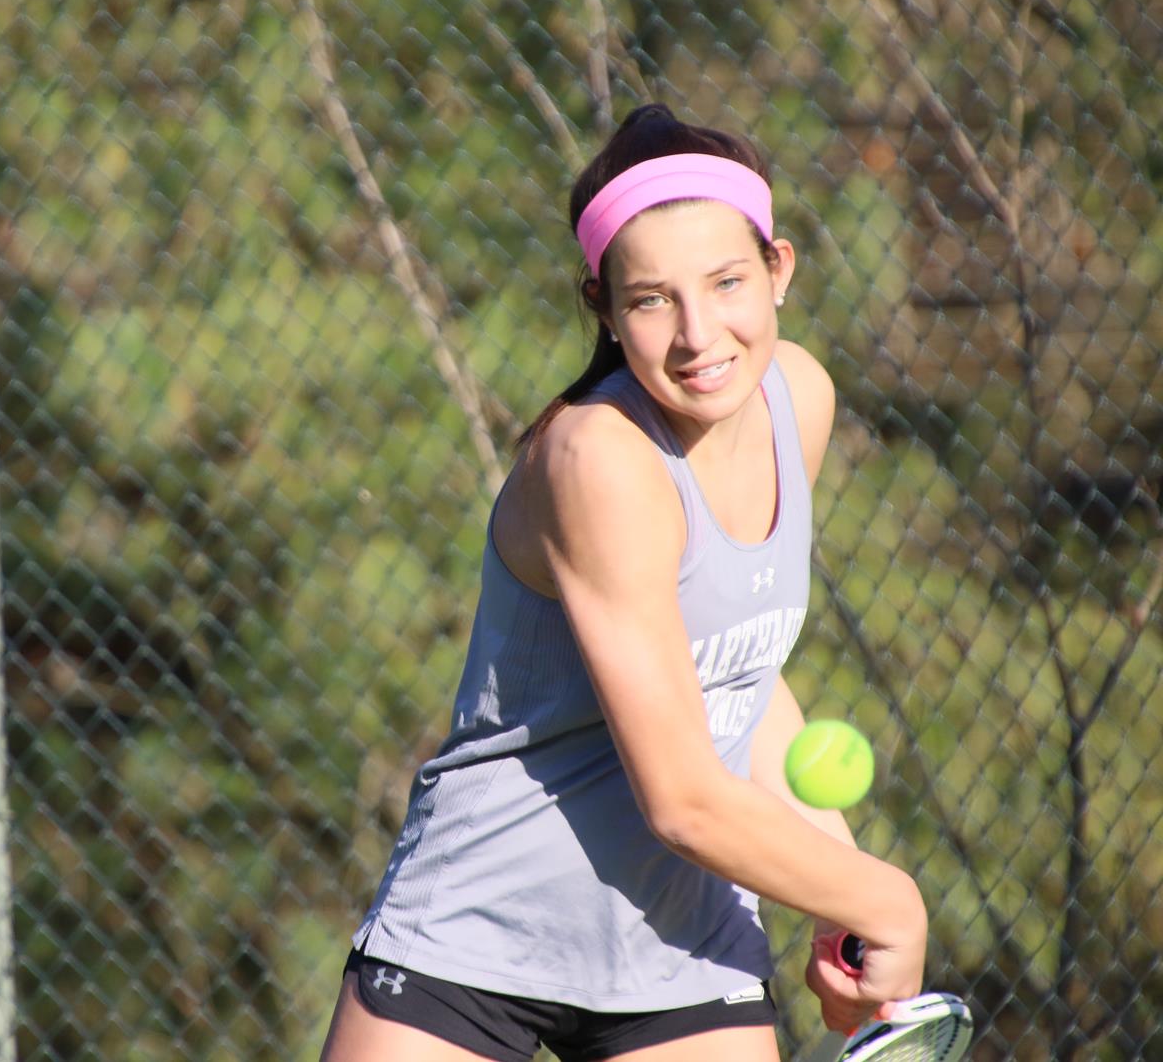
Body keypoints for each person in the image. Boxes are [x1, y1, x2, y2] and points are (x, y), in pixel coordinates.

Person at [319, 104, 930, 1062]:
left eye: (728, 281)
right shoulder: (598, 459)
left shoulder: (797, 399)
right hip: (473, 949)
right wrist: (886, 902)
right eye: (651, 300)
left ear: (780, 271)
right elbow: (684, 800)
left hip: (683, 953)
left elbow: (740, 673)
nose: (698, 334)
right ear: (603, 310)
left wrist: (833, 881)